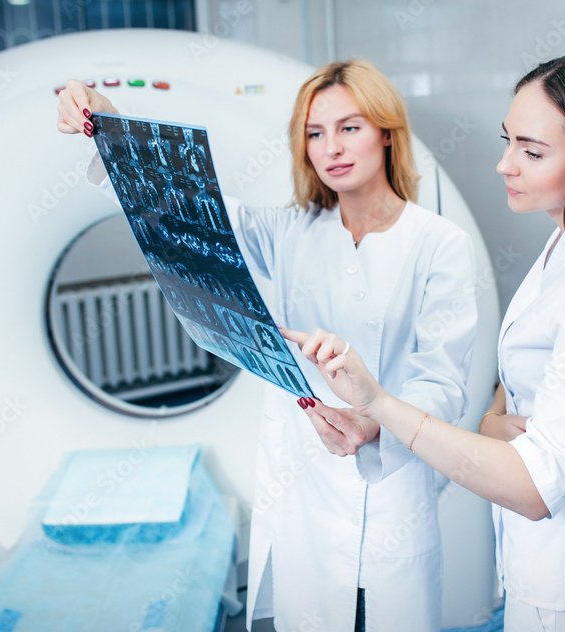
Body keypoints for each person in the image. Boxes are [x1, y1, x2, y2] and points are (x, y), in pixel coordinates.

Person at [284, 54, 565, 632]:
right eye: (508, 141)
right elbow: (518, 376)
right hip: (545, 560)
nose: (504, 164)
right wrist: (495, 425)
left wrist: (379, 403)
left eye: (531, 151)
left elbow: (533, 486)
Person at [56, 59, 478, 632]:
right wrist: (111, 123)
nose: (331, 147)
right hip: (303, 491)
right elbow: (181, 210)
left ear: (386, 131)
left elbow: (444, 384)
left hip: (388, 494)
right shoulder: (284, 232)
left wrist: (374, 423)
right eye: (314, 133)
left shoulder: (438, 244)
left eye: (349, 127)